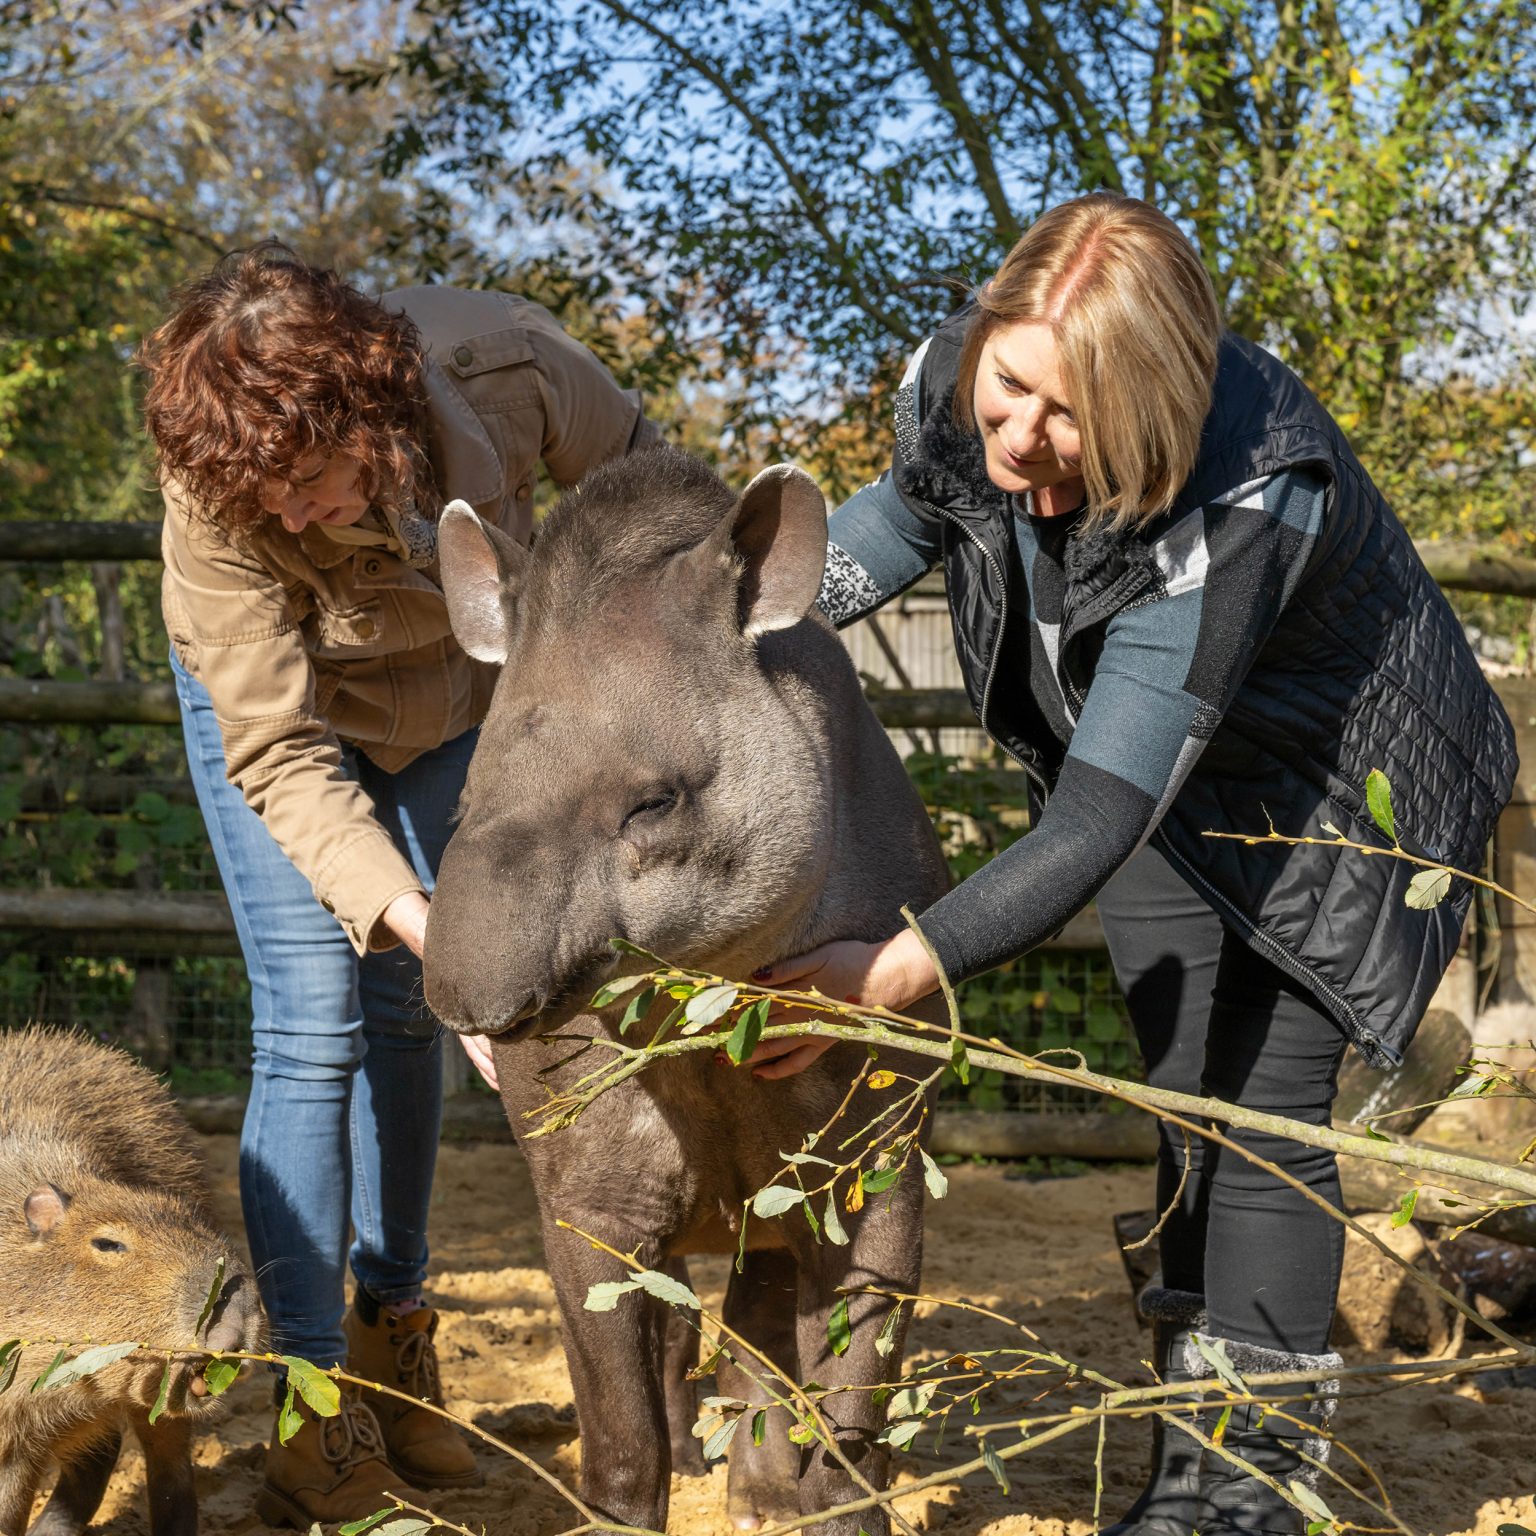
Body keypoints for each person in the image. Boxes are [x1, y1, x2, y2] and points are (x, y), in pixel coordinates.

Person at [747, 194, 1516, 1535]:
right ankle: (1192, 1462)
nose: (1021, 441)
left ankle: (1258, 1493)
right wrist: (736, 621)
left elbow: (1096, 820)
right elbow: (890, 532)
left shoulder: (1245, 493)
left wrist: (898, 966)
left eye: (1066, 420)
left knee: (1260, 1115)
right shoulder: (960, 381)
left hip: (1329, 795)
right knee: (1182, 1100)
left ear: (1151, 410)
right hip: (1153, 768)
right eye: (1006, 397)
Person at [139, 243, 656, 1527]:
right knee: (315, 1023)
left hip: (465, 707)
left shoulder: (516, 367)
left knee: (411, 1013)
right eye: (271, 504)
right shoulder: (221, 503)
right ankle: (311, 1405)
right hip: (292, 728)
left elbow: (657, 516)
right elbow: (278, 750)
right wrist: (426, 921)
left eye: (312, 481)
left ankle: (396, 1328)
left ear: (368, 411)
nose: (297, 519)